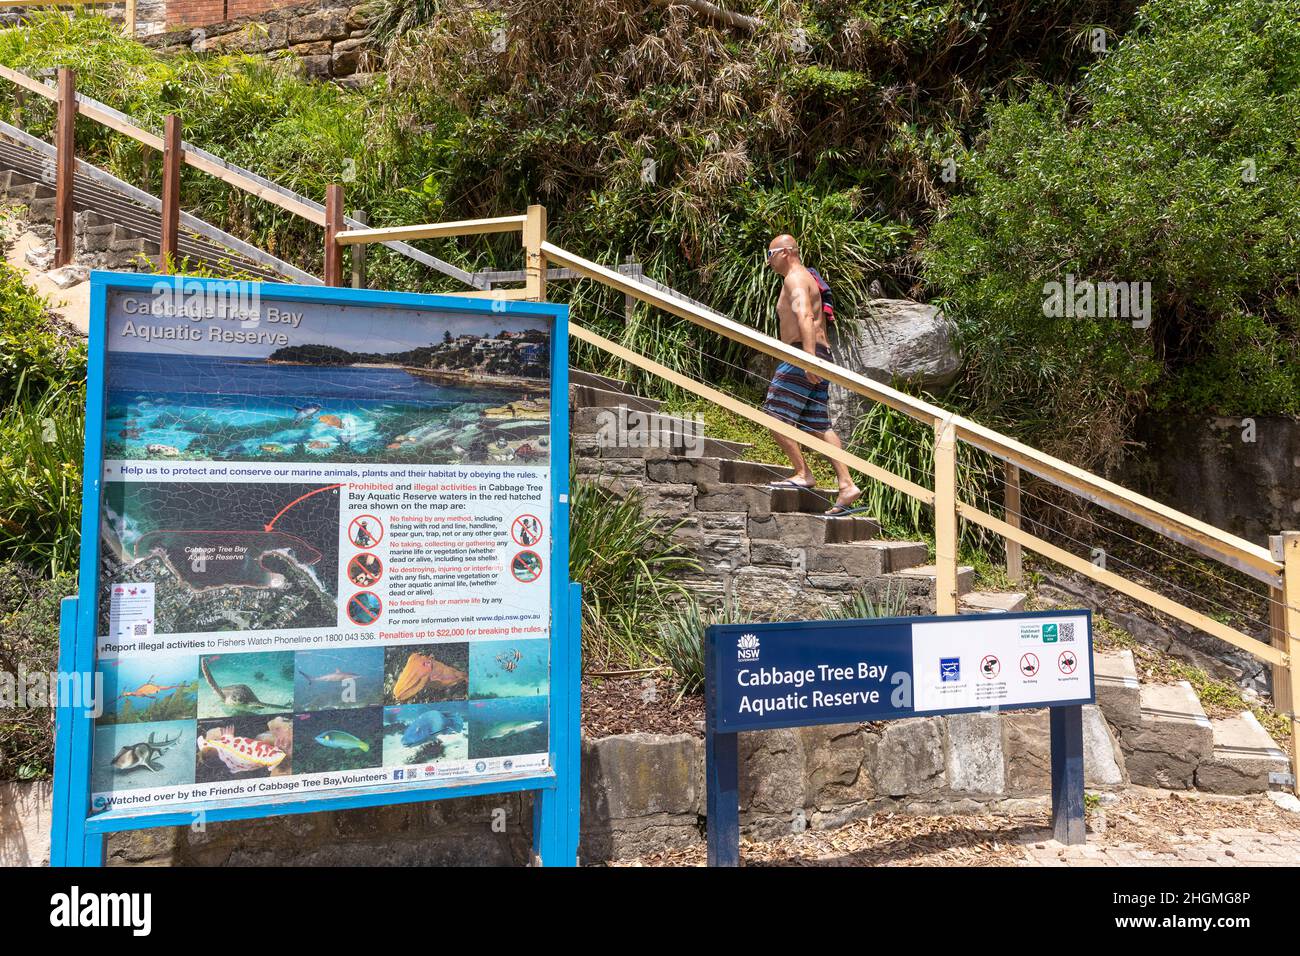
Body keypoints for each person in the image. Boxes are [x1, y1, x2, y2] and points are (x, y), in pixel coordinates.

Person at [761, 235, 862, 515]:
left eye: (769, 255)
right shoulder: (808, 277)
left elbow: (805, 316)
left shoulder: (794, 278)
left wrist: (806, 359)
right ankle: (846, 484)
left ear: (785, 253)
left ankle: (803, 473)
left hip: (802, 355)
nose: (768, 262)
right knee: (819, 425)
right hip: (821, 354)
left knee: (773, 415)